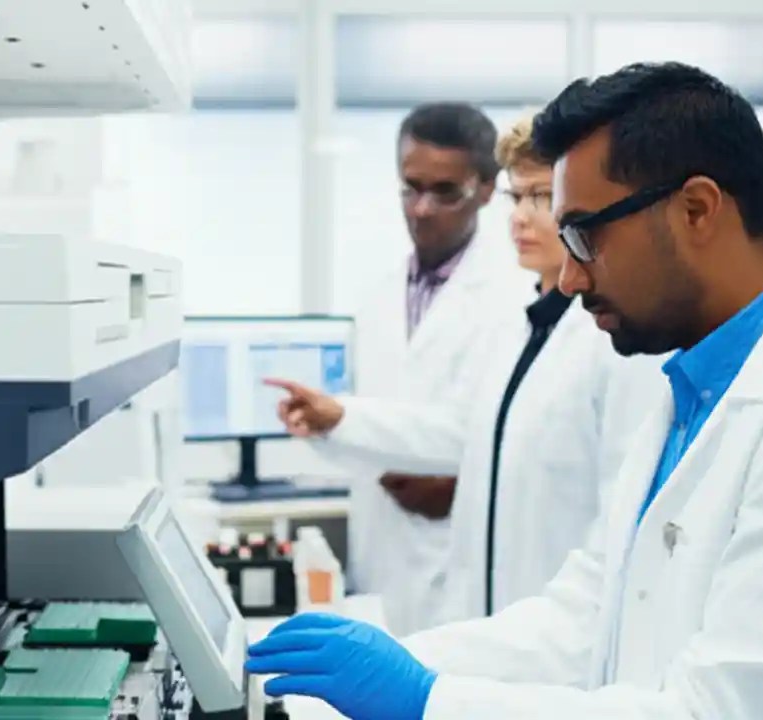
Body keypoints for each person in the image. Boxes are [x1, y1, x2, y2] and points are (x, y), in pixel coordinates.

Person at [247, 62, 763, 719]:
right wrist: (409, 659)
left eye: (584, 235)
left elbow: (719, 712)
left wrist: (430, 699)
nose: (570, 277)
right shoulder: (687, 391)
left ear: (697, 210)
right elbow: (591, 616)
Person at [266, 113, 662, 626]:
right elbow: (464, 429)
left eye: (542, 198)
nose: (522, 218)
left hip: (556, 636)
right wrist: (339, 418)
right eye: (517, 198)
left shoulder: (618, 343)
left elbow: (618, 534)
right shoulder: (527, 330)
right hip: (487, 617)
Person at [322, 102, 529, 637]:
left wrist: (464, 486)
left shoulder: (517, 295)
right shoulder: (376, 298)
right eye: (410, 187)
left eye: (444, 192)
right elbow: (372, 419)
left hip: (460, 561)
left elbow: (512, 435)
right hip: (379, 555)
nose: (421, 208)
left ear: (486, 189)